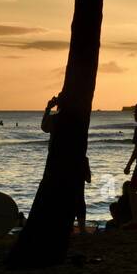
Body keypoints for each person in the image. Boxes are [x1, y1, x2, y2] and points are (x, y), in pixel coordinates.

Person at [40, 94, 91, 234]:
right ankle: (81, 227)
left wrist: (48, 108)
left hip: (58, 161)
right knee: (79, 195)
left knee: (59, 194)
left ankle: (62, 225)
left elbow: (44, 127)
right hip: (75, 160)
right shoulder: (77, 119)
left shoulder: (56, 119)